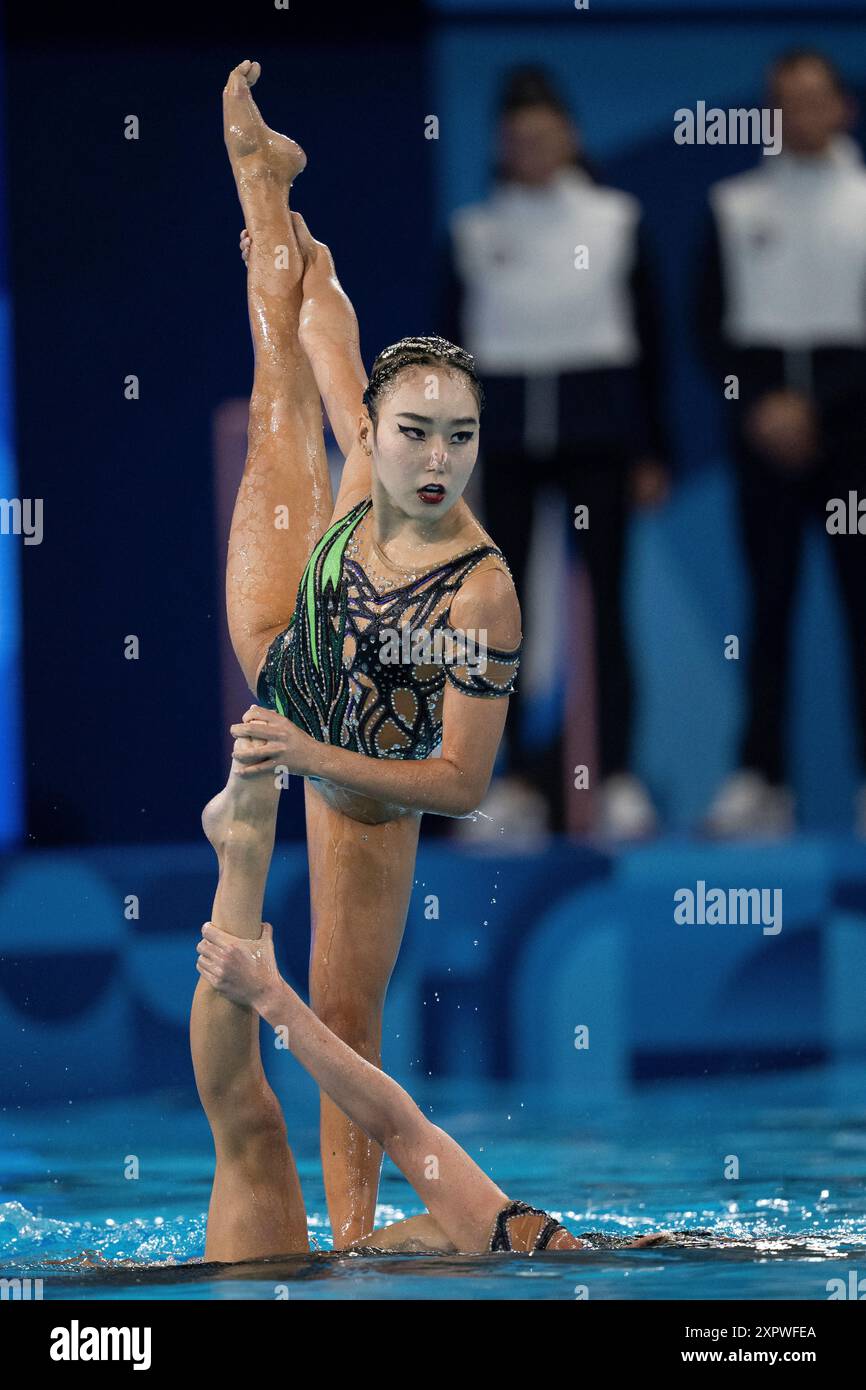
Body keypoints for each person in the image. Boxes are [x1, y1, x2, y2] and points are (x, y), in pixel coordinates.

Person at [190, 60, 524, 1260]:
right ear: (379, 434)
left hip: (366, 782)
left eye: (462, 438)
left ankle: (345, 1240)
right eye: (414, 434)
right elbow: (333, 352)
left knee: (343, 1006)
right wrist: (288, 248)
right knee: (282, 370)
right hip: (289, 652)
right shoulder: (360, 465)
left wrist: (309, 755)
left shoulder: (482, 590)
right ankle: (257, 189)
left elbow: (461, 783)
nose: (437, 460)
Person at [194, 770, 676, 1256]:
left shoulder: (523, 1253)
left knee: (253, 1129)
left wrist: (269, 995)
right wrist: (270, 996)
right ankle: (243, 848)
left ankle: (241, 848)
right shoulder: (523, 1244)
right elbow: (397, 1124)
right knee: (251, 1130)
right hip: (329, 1272)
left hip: (317, 1272)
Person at [441, 66, 669, 841]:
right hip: (503, 450)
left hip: (597, 444)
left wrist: (652, 449)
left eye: (545, 133)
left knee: (605, 607)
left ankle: (614, 778)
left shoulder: (616, 221)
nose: (532, 148)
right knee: (498, 616)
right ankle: (507, 786)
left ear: (568, 135)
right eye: (516, 136)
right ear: (501, 145)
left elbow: (653, 347)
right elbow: (445, 358)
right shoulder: (474, 232)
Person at [698, 49, 866, 837]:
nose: (798, 115)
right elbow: (708, 324)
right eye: (783, 101)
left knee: (863, 606)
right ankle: (763, 781)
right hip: (762, 431)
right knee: (767, 610)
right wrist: (764, 406)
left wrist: (821, 409)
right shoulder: (735, 205)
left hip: (856, 433)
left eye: (813, 100)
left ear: (843, 109)